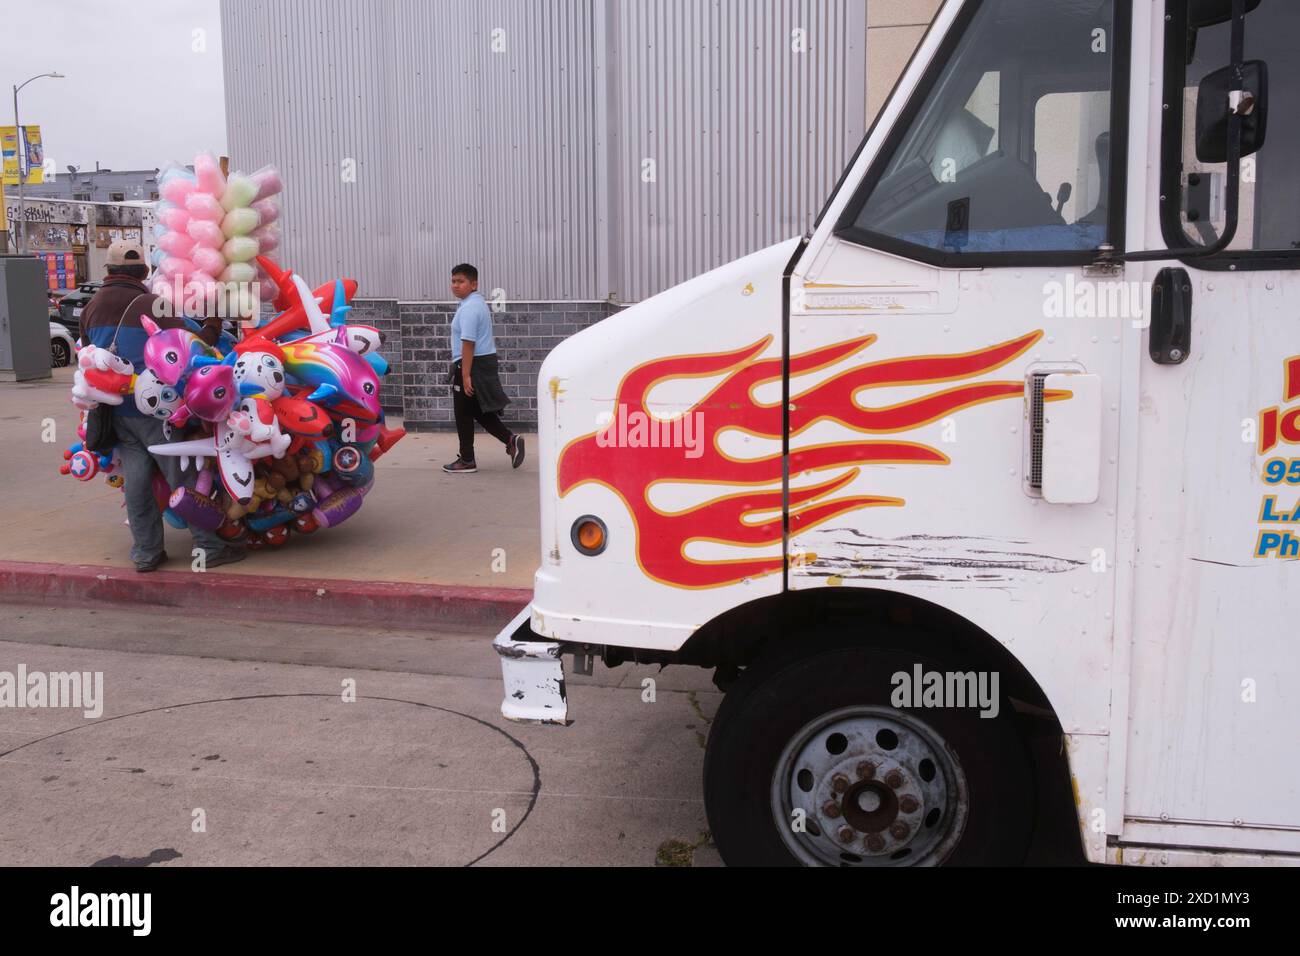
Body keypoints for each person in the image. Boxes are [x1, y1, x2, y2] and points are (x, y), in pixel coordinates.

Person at [79, 240, 246, 572]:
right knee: (181, 477)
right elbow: (194, 347)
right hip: (156, 411)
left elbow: (87, 357)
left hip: (113, 412)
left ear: (109, 271)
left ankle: (146, 552)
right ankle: (208, 546)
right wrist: (214, 322)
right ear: (143, 271)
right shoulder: (153, 305)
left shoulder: (91, 307)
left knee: (137, 483)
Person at [442, 263, 525, 474]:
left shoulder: (470, 308)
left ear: (473, 283)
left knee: (463, 413)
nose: (455, 285)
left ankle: (467, 460)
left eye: (461, 281)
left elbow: (468, 342)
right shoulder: (475, 302)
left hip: (473, 363)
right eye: (453, 281)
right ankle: (510, 440)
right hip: (480, 361)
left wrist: (465, 374)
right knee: (477, 411)